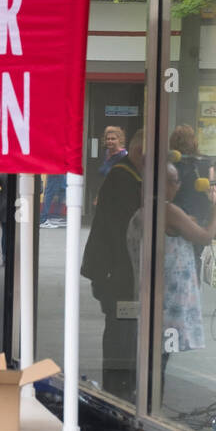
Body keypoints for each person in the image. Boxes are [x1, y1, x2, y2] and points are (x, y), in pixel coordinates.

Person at [127, 162, 216, 395]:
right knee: (158, 363)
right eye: (175, 181)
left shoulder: (144, 210)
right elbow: (205, 237)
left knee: (154, 360)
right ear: (162, 183)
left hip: (150, 295)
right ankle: (150, 410)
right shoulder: (167, 211)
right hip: (167, 301)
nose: (178, 186)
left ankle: (146, 403)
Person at [80, 130, 144, 399]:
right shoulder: (124, 178)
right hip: (116, 271)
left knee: (124, 328)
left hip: (114, 269)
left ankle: (120, 384)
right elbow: (122, 229)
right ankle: (117, 387)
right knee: (121, 328)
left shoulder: (127, 174)